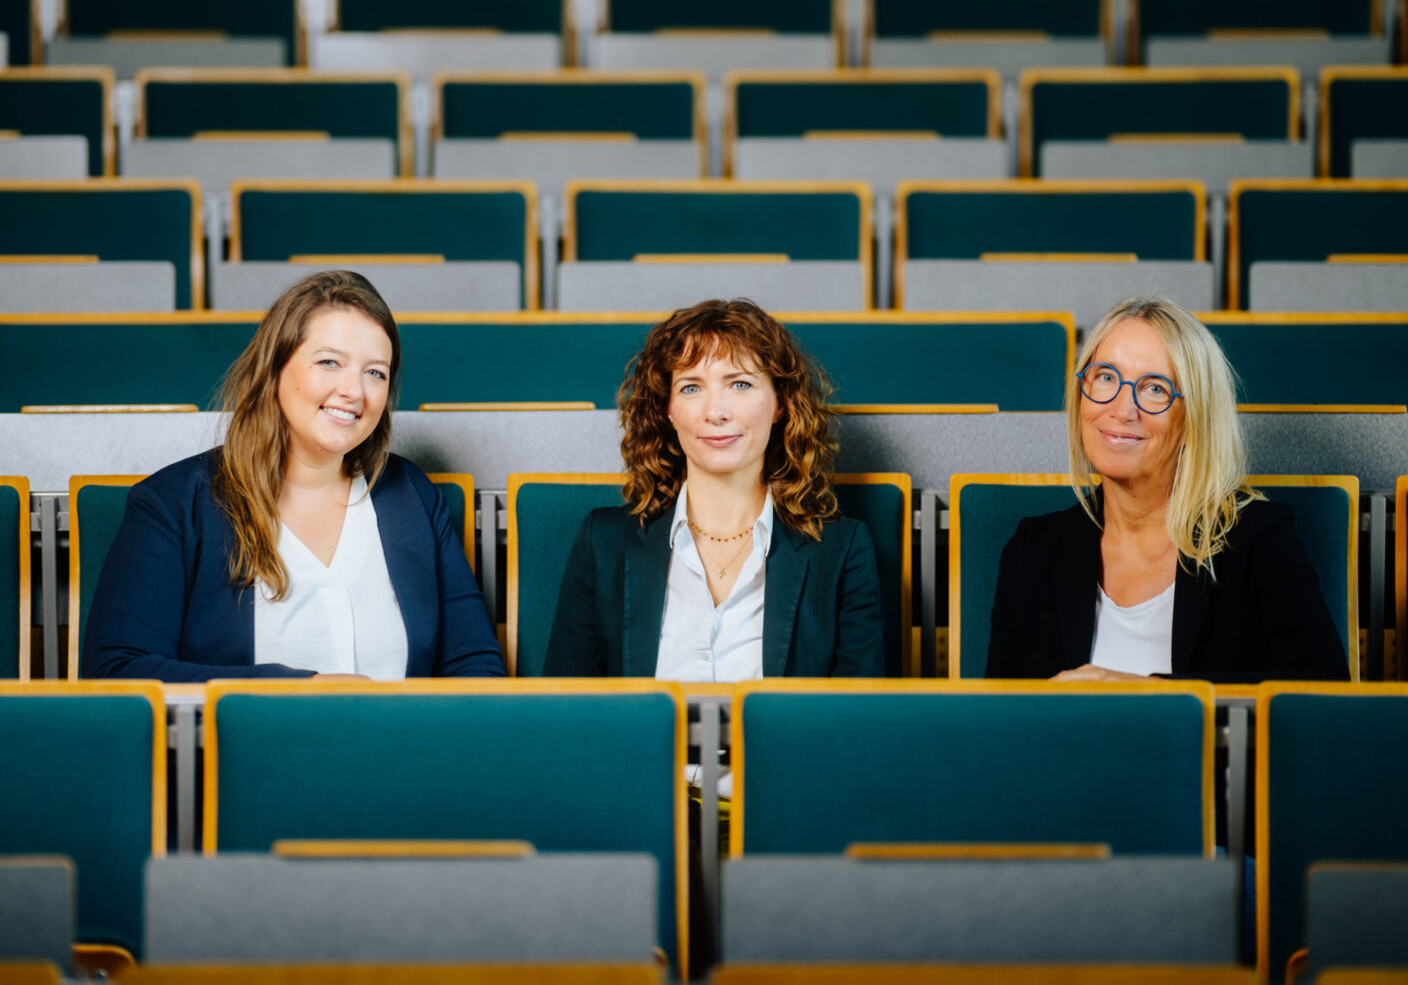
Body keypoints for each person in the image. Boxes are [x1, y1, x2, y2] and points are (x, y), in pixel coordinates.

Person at [82, 270, 505, 682]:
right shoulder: (174, 503)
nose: (354, 391)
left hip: (404, 751)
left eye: (375, 372)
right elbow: (117, 671)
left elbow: (476, 668)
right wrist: (304, 690)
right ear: (274, 369)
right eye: (329, 362)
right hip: (246, 753)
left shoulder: (411, 495)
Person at [985, 295, 1348, 683]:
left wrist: (1146, 692)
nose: (1123, 409)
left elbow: (1321, 690)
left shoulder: (1257, 539)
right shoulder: (1033, 549)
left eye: (1155, 388)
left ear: (1194, 417)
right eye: (1106, 377)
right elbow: (999, 721)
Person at [543, 298, 885, 679]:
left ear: (780, 404)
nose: (716, 411)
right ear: (667, 410)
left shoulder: (842, 551)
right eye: (691, 388)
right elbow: (567, 712)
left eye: (740, 384)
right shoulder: (602, 543)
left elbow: (856, 723)